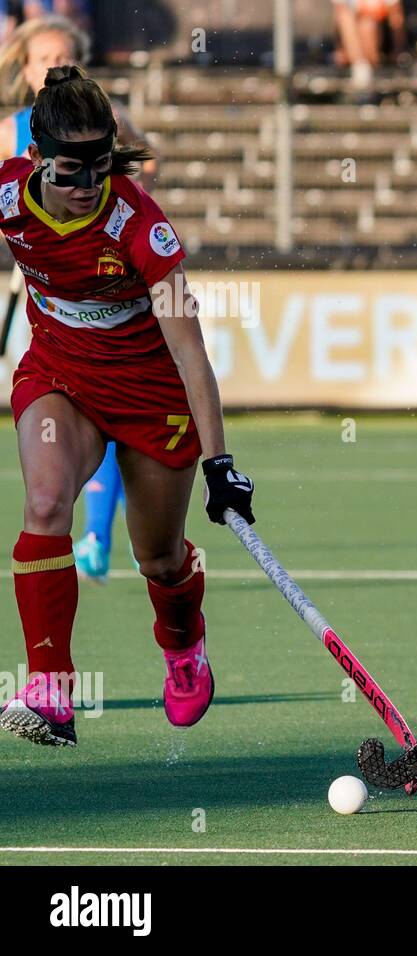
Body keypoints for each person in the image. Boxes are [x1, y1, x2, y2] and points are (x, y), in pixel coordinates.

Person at [0, 66, 254, 747]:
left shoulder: (142, 230)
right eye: (70, 172)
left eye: (101, 168)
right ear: (34, 158)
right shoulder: (6, 196)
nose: (88, 188)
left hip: (150, 398)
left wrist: (220, 464)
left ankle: (182, 642)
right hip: (61, 377)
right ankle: (49, 687)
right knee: (47, 504)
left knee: (159, 559)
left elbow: (192, 355)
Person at [0, 15, 160, 585]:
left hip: (109, 290)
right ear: (24, 67)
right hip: (39, 290)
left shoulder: (105, 119)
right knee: (55, 407)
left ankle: (97, 531)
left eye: (60, 55)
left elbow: (143, 168)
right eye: (40, 56)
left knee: (114, 405)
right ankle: (67, 513)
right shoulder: (9, 130)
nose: (49, 66)